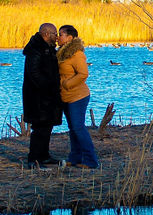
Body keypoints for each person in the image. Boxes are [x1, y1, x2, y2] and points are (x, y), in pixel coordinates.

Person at [56, 24, 100, 169]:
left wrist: (67, 84)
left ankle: (91, 161)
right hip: (66, 96)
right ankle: (75, 158)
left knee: (78, 127)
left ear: (69, 37)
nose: (58, 37)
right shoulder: (61, 52)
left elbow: (83, 74)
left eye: (61, 34)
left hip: (78, 96)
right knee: (73, 128)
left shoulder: (76, 54)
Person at [21, 22, 62, 167]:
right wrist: (49, 86)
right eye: (54, 34)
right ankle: (34, 159)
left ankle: (44, 156)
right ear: (46, 34)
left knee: (47, 127)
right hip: (38, 97)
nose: (56, 37)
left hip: (47, 97)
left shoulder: (48, 49)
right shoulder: (36, 50)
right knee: (39, 129)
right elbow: (34, 73)